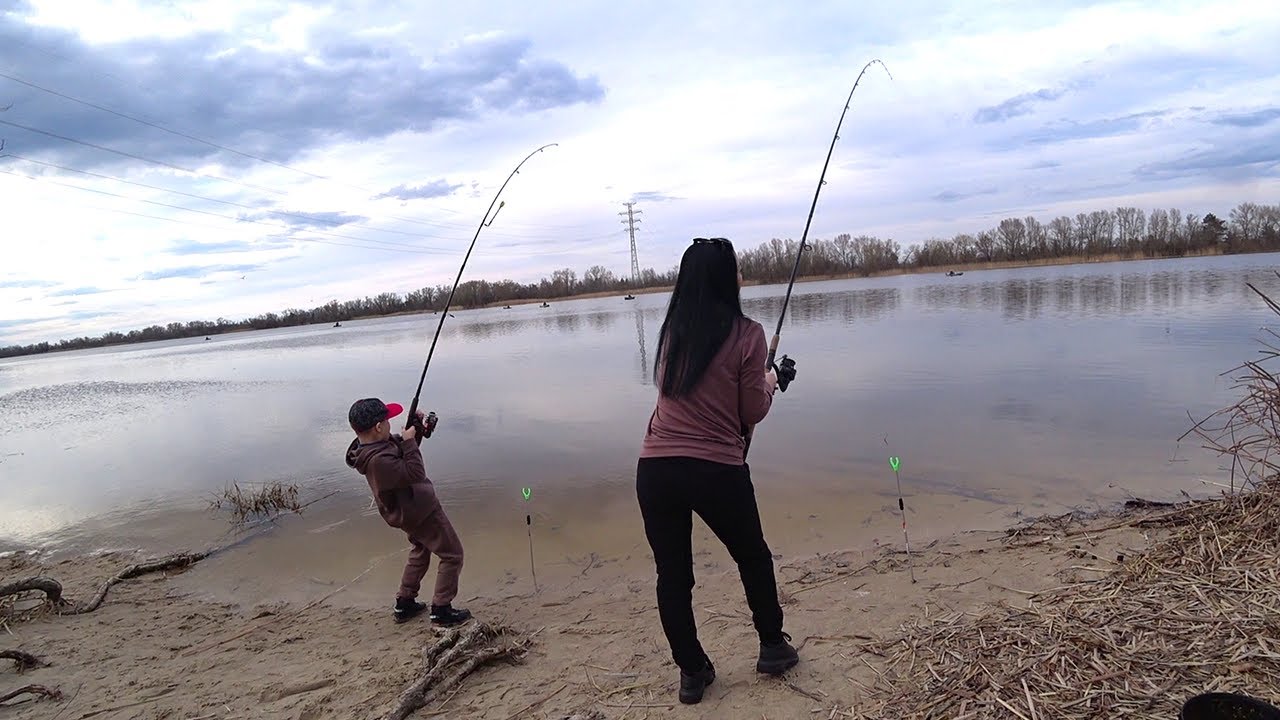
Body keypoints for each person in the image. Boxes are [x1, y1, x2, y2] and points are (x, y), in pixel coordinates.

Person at [636, 237, 800, 705]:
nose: (742, 275)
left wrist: (760, 379)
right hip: (716, 470)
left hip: (655, 468)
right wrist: (771, 381)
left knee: (673, 576)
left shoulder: (671, 332)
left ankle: (692, 673)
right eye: (738, 269)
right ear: (727, 279)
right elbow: (752, 411)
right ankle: (772, 646)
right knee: (752, 556)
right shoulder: (749, 334)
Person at [345, 398, 472, 626]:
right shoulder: (378, 461)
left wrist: (416, 430)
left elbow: (404, 454)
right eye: (387, 421)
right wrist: (410, 442)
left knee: (420, 550)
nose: (390, 424)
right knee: (453, 555)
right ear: (378, 427)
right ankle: (441, 609)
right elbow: (414, 472)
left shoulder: (374, 447)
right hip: (422, 512)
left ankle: (404, 603)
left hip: (409, 513)